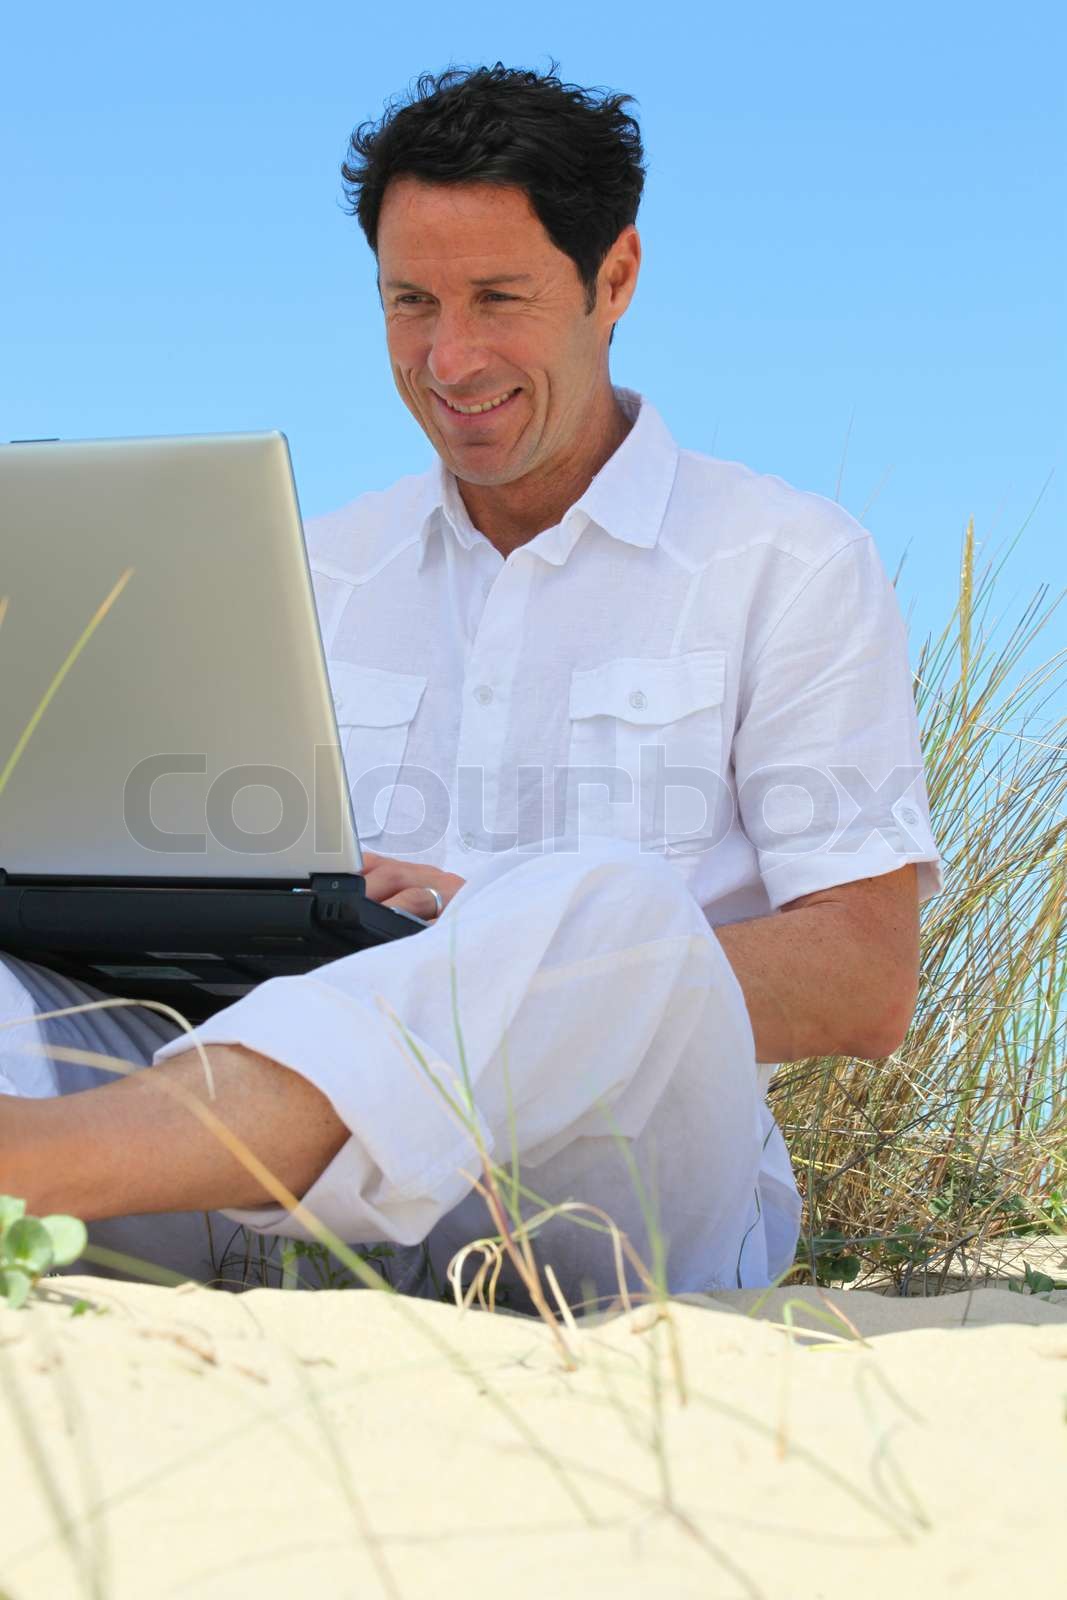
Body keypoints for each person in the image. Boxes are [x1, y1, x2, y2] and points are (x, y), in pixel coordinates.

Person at [0, 64, 942, 1308]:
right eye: (410, 302)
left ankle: (36, 1165)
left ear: (613, 278)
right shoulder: (309, 567)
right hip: (262, 1182)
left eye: (498, 297)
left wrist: (476, 924)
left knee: (611, 907)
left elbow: (864, 982)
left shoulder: (785, 560)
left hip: (594, 1205)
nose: (448, 357)